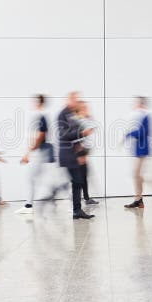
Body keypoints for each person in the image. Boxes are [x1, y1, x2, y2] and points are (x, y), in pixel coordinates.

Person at [57, 92, 95, 220]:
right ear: (68, 100)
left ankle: (77, 210)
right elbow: (63, 135)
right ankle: (73, 208)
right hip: (67, 154)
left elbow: (77, 132)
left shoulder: (72, 114)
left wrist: (81, 148)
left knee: (77, 181)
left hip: (74, 153)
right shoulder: (63, 115)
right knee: (76, 181)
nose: (76, 101)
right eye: (74, 99)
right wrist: (82, 133)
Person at [19, 94, 54, 214]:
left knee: (30, 177)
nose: (33, 103)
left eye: (35, 101)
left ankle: (29, 206)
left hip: (40, 152)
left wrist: (29, 153)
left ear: (40, 103)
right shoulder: (39, 116)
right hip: (40, 151)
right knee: (41, 178)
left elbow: (41, 135)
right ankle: (32, 204)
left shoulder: (41, 116)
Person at [124, 97, 151, 209]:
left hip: (143, 151)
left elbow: (142, 132)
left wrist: (129, 134)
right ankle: (138, 200)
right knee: (137, 176)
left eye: (137, 103)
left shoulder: (145, 116)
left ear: (141, 104)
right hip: (140, 150)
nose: (135, 105)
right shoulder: (141, 116)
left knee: (140, 176)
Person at [75, 100, 98, 205]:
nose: (86, 109)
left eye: (86, 107)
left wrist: (88, 116)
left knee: (84, 175)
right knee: (80, 177)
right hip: (78, 152)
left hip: (84, 152)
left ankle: (86, 198)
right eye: (84, 107)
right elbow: (75, 134)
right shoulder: (76, 120)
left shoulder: (85, 118)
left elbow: (93, 127)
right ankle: (77, 199)